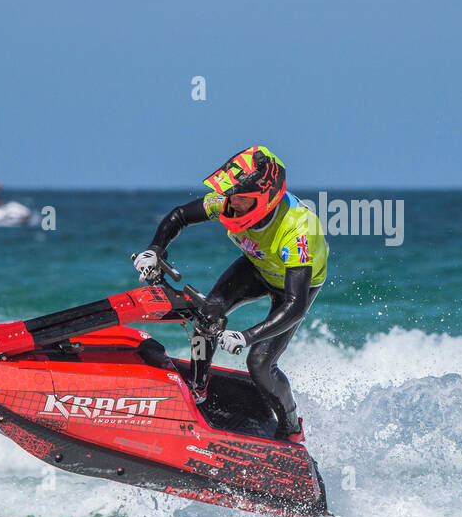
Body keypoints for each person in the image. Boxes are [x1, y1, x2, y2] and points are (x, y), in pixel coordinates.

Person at [133, 147, 328, 443]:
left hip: (295, 287)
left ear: (263, 200)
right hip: (259, 266)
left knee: (260, 364)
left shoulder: (298, 229)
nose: (230, 201)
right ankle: (198, 390)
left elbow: (295, 305)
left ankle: (291, 428)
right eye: (230, 194)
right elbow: (179, 216)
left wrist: (246, 336)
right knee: (207, 317)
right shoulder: (228, 202)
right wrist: (155, 250)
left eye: (239, 197)